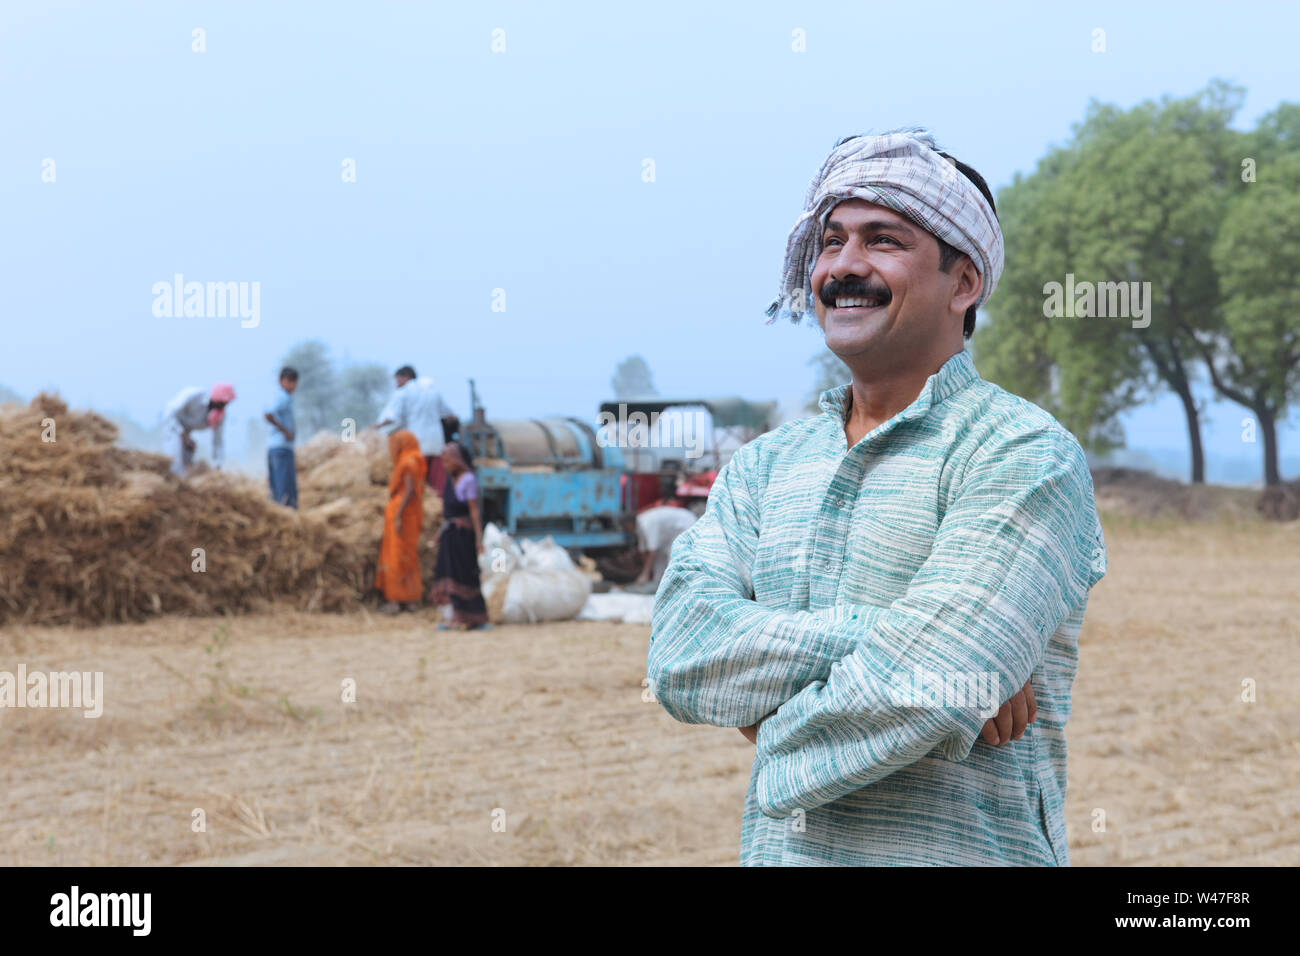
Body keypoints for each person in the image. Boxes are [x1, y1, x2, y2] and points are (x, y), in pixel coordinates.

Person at [646, 130, 1107, 866]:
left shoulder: (1021, 453)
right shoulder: (763, 467)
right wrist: (903, 641)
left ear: (964, 283)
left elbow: (934, 682)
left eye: (882, 240)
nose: (843, 267)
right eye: (830, 241)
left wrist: (764, 714)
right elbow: (678, 655)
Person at [428, 442, 488, 630]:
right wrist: (439, 532)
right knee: (447, 574)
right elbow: (447, 513)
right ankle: (453, 617)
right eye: (443, 460)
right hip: (449, 535)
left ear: (457, 460)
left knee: (465, 575)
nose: (445, 464)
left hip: (463, 536)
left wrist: (479, 539)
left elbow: (474, 511)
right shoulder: (449, 480)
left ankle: (474, 617)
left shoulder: (468, 480)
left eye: (448, 460)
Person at [375, 365, 457, 493]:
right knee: (437, 484)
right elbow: (450, 416)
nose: (397, 384)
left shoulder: (404, 392)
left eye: (398, 380)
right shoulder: (433, 391)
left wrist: (376, 427)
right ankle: (438, 509)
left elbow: (392, 418)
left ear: (406, 377)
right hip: (436, 444)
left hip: (415, 445)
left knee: (417, 483)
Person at [375, 430, 426, 614]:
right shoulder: (415, 458)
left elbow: (409, 490)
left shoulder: (408, 462)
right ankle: (410, 600)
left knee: (397, 557)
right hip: (409, 514)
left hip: (403, 515)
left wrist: (398, 515)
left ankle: (396, 600)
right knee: (408, 556)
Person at [163, 382, 235, 476]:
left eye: (226, 404)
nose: (223, 406)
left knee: (188, 465)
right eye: (222, 403)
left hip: (188, 431)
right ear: (216, 397)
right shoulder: (194, 395)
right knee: (175, 462)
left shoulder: (219, 415)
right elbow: (170, 413)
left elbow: (218, 442)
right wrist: (183, 434)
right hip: (173, 426)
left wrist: (218, 465)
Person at [632, 503, 698, 588]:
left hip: (685, 524)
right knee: (661, 557)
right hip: (671, 532)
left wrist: (645, 573)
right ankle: (658, 583)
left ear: (629, 524)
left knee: (675, 558)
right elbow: (644, 551)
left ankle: (682, 586)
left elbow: (652, 551)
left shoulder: (647, 523)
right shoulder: (640, 524)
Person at [264, 366, 298, 508]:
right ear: (281, 381)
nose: (293, 385)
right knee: (285, 489)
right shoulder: (281, 397)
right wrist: (285, 431)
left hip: (279, 448)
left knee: (279, 487)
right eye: (289, 381)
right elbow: (268, 414)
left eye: (294, 381)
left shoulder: (285, 397)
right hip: (281, 448)